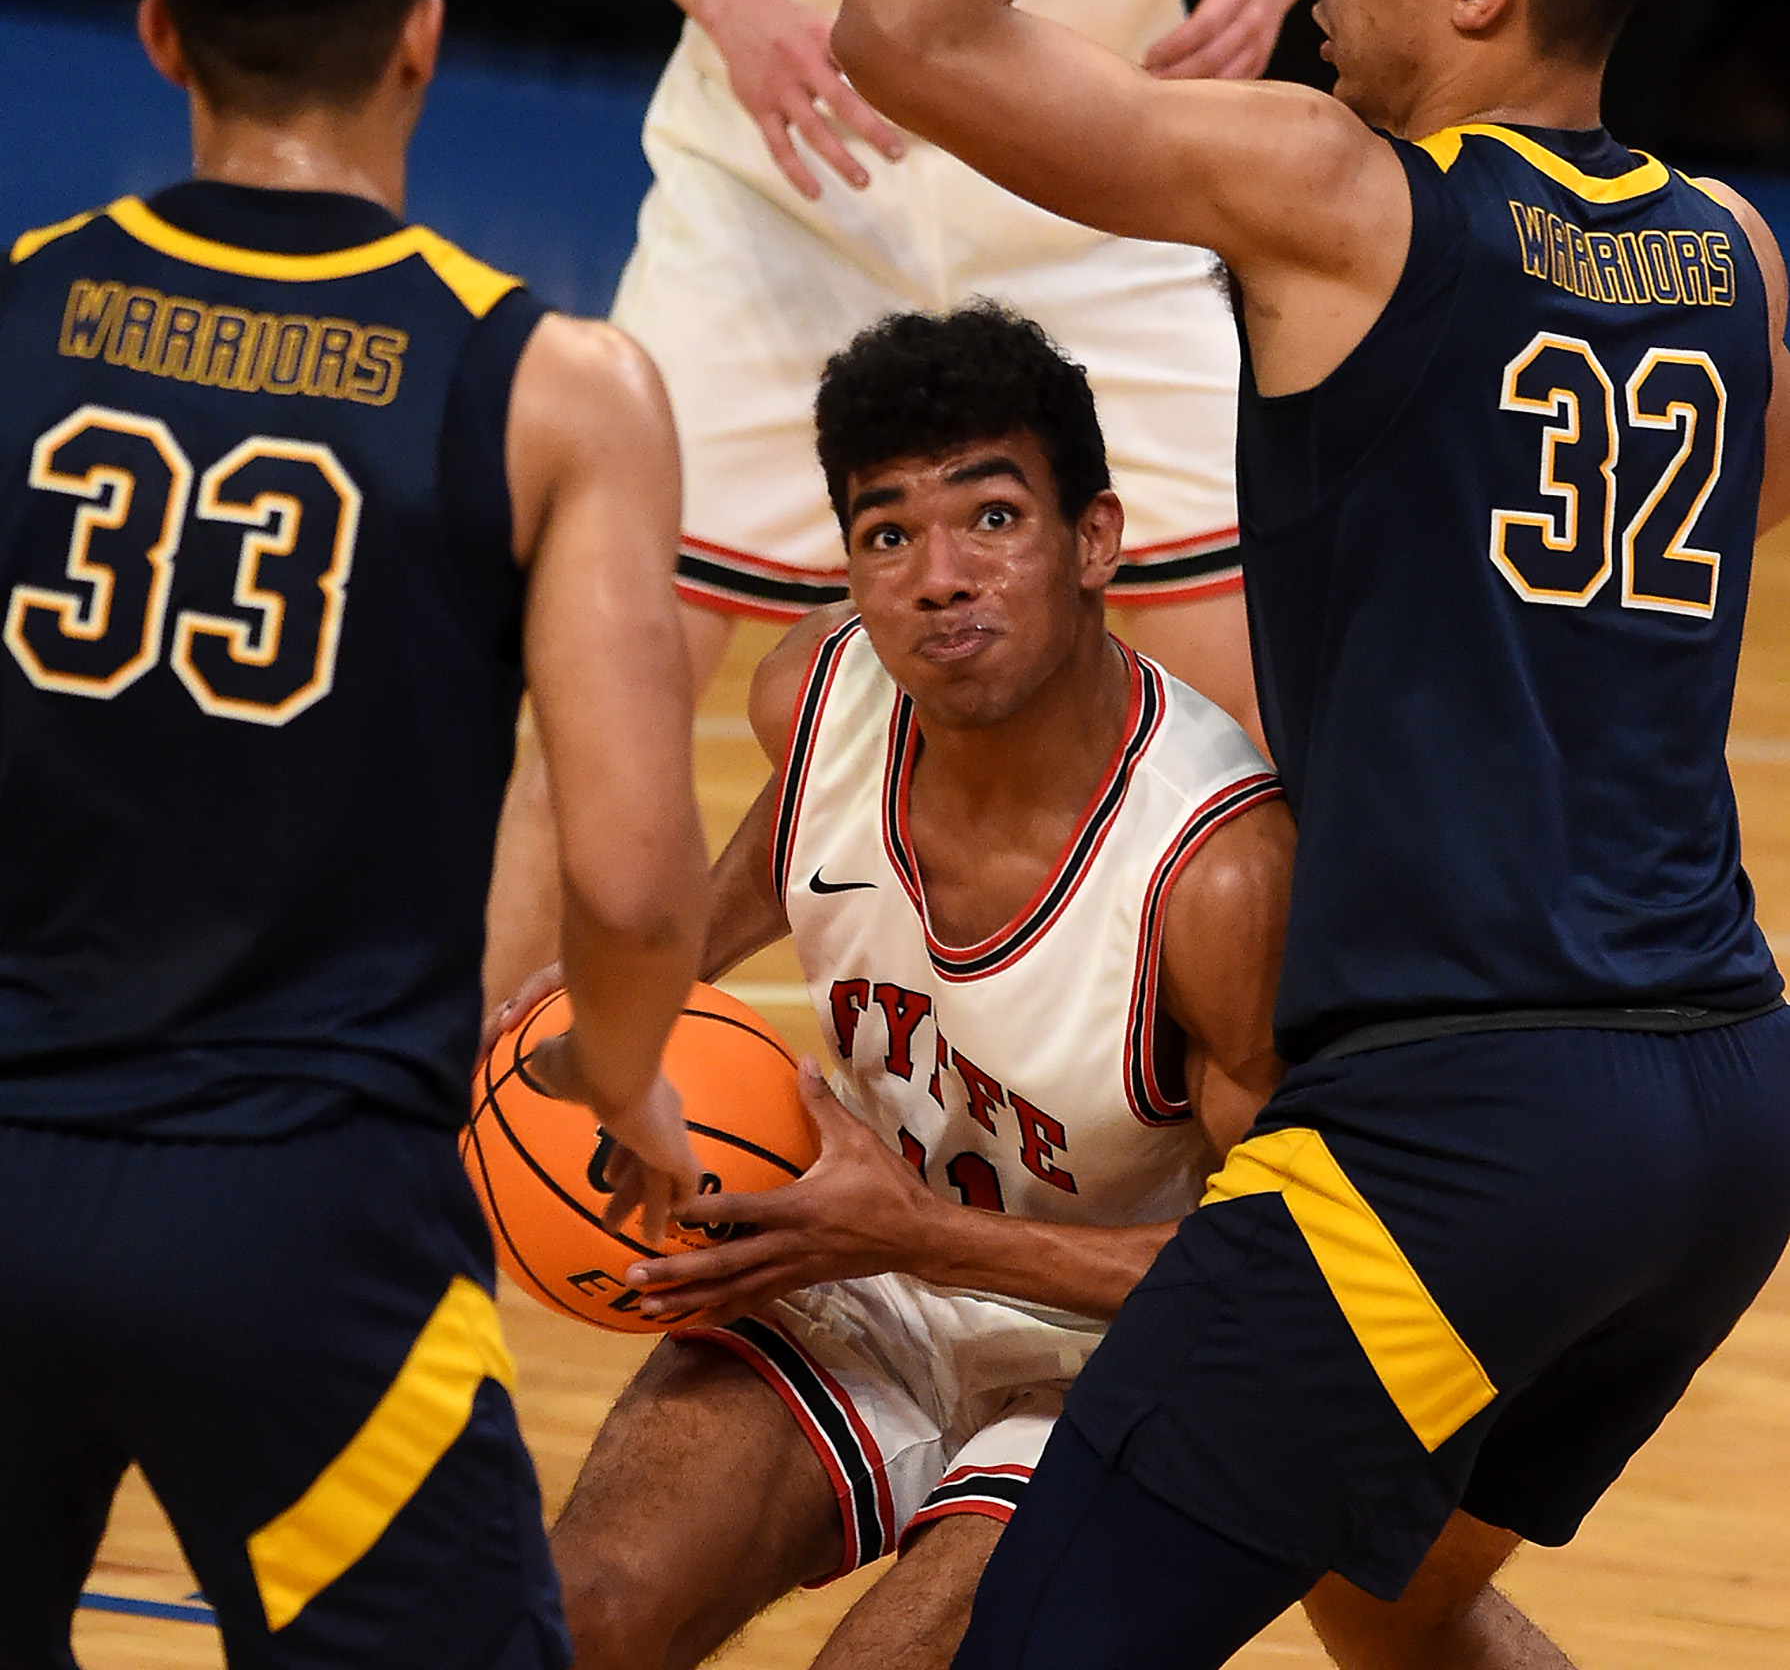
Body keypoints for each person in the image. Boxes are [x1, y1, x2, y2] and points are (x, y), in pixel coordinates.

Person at [830, 0, 1790, 1664]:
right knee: (1394, 1608)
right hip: (1719, 1111)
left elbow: (910, 32)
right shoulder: (1728, 247)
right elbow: (1730, 519)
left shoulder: (1342, 195)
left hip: (1462, 1129)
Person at [536, 307, 1586, 1670]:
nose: (937, 579)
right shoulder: (818, 697)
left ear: (1095, 540)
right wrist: (607, 1013)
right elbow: (770, 857)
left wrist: (923, 1234)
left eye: (991, 519)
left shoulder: (1217, 876)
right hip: (866, 1270)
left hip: (1124, 1349)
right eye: (886, 534)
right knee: (586, 1614)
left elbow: (1281, 1281)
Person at [0, 0, 707, 1670]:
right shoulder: (553, 389)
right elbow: (633, 878)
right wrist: (624, 1075)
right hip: (301, 1231)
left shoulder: (16, 306)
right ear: (423, 35)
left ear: (159, 31)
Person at [591, 0, 1354, 721]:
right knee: (607, 712)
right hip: (791, 184)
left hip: (1103, 189)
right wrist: (735, 4)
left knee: (1270, 714)